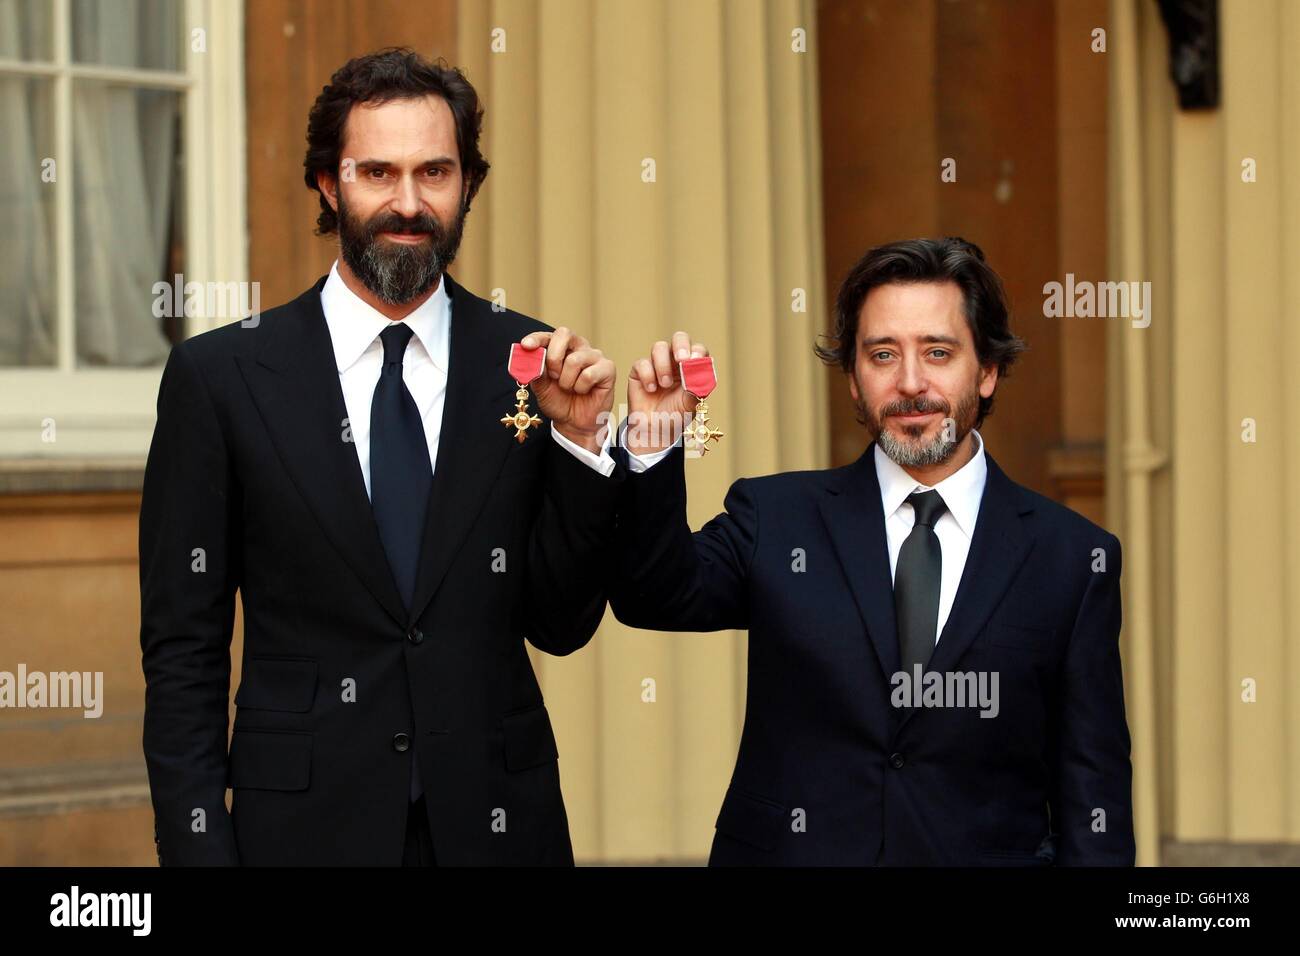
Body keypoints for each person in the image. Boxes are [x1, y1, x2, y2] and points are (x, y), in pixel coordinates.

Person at [139, 49, 622, 866]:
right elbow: (184, 649)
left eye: (435, 171)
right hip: (299, 832)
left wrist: (579, 446)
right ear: (329, 183)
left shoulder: (530, 363)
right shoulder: (220, 378)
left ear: (468, 182)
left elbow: (561, 625)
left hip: (498, 826)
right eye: (377, 172)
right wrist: (197, 846)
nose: (408, 203)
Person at [610, 237, 1135, 865]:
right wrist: (652, 441)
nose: (910, 383)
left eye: (938, 353)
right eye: (882, 355)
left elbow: (1092, 790)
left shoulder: (1073, 560)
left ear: (987, 370)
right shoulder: (777, 519)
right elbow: (653, 594)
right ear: (854, 382)